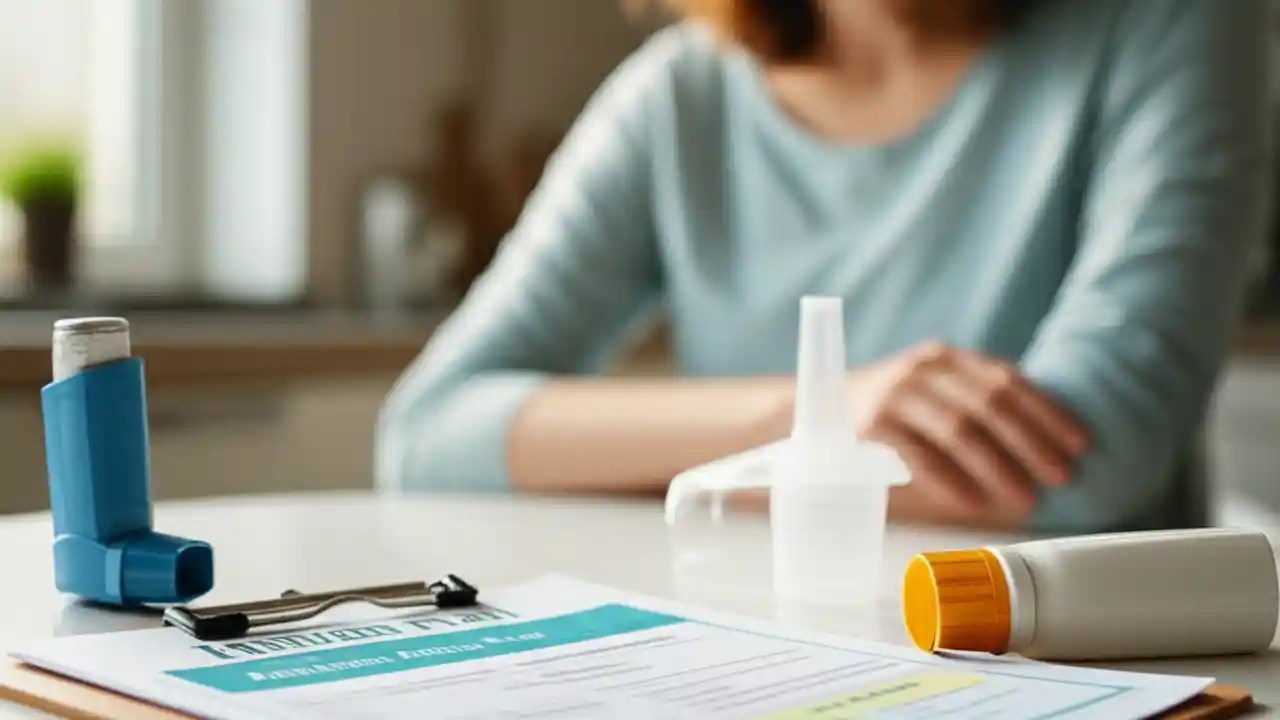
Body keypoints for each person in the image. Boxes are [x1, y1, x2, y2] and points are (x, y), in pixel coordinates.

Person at [376, 0, 1271, 532]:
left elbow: (1094, 458)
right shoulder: (678, 97)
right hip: (766, 659)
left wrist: (693, 470)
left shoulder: (1171, 24)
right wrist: (820, 418)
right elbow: (428, 434)